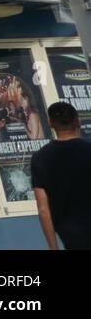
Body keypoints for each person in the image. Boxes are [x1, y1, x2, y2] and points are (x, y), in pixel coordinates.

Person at [31, 101, 91, 250]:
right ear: (78, 121)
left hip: (73, 238)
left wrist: (53, 247)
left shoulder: (41, 158)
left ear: (51, 123)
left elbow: (43, 208)